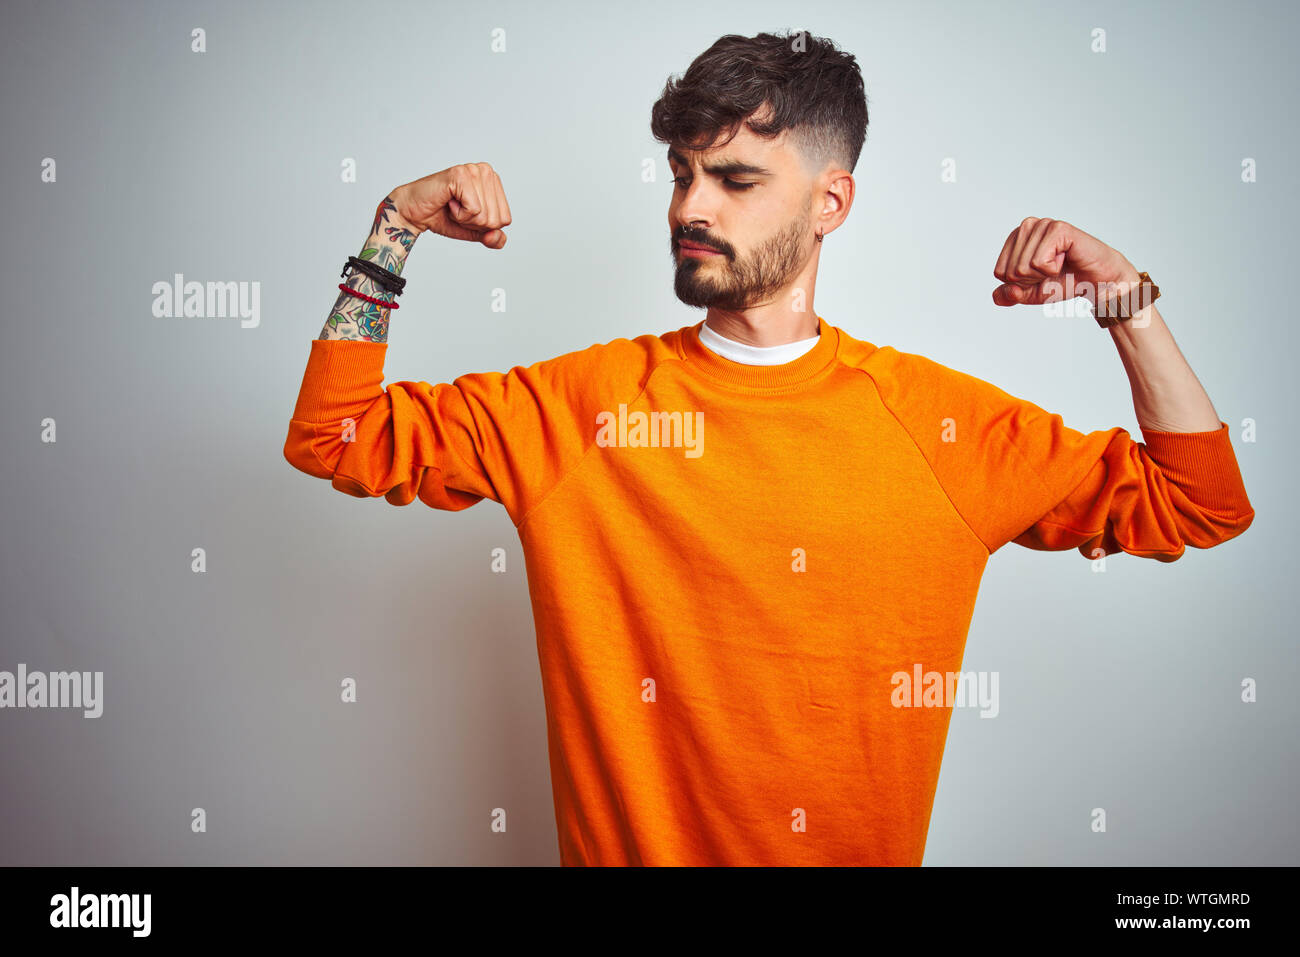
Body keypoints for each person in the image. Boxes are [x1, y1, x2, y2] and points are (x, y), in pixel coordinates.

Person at [284, 30, 1255, 865]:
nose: (689, 210)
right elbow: (336, 437)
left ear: (829, 203)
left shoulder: (940, 427)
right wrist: (393, 230)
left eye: (735, 179)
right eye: (681, 176)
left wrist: (1122, 299)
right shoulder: (576, 408)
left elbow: (1199, 503)